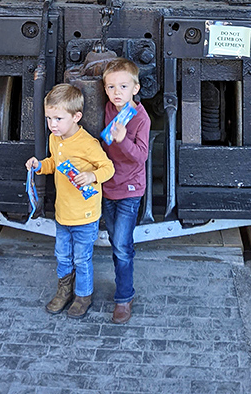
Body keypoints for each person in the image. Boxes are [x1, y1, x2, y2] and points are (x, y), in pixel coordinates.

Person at [25, 83, 115, 318]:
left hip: (85, 216)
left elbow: (108, 167)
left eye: (58, 118)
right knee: (63, 256)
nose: (52, 125)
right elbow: (54, 163)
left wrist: (93, 176)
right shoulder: (57, 138)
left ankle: (83, 296)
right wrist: (39, 166)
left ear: (77, 117)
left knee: (82, 259)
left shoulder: (88, 144)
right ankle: (64, 291)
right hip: (62, 213)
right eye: (49, 118)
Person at [100, 58, 151, 324]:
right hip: (108, 186)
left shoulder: (140, 118)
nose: (116, 92)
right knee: (115, 241)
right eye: (110, 87)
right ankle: (124, 275)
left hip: (130, 189)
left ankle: (124, 298)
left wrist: (122, 141)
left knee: (121, 245)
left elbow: (141, 156)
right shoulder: (108, 108)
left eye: (123, 86)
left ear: (136, 88)